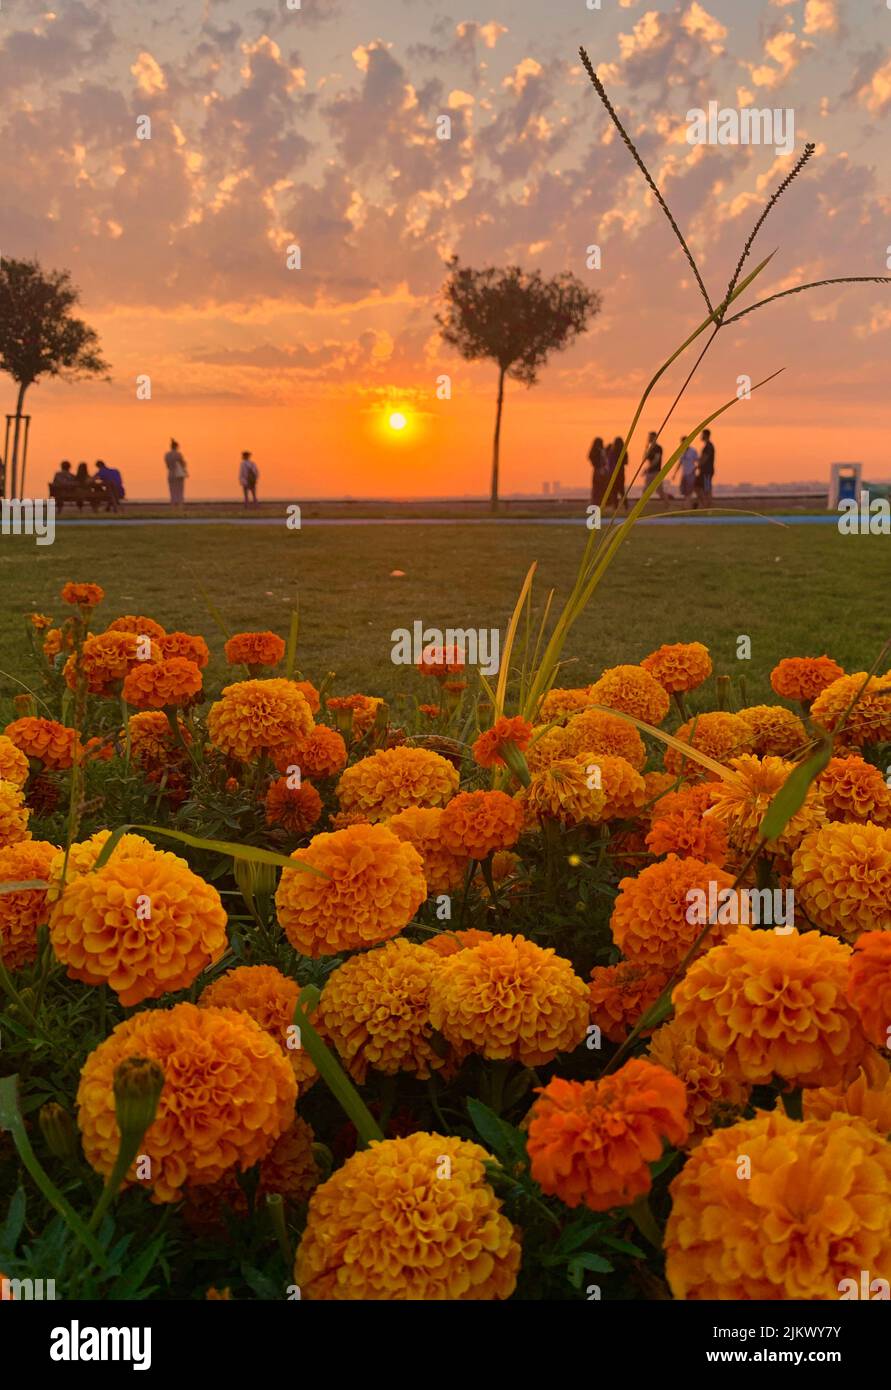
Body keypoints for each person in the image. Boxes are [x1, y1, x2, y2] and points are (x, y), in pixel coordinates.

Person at [642, 431, 667, 500]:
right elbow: (644, 459)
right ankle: (644, 506)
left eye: (650, 437)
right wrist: (646, 448)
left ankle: (667, 505)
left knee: (659, 491)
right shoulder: (650, 448)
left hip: (656, 472)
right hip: (650, 472)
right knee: (646, 490)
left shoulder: (658, 448)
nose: (648, 439)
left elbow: (656, 460)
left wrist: (647, 468)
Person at [606, 436, 629, 512]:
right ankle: (626, 506)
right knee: (622, 490)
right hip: (621, 473)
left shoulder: (612, 451)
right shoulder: (624, 452)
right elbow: (626, 462)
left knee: (614, 491)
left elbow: (609, 461)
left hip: (613, 473)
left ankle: (615, 506)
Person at [674, 436, 699, 503]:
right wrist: (675, 474)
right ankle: (689, 503)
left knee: (689, 491)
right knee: (683, 491)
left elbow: (698, 461)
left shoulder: (693, 451)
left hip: (691, 474)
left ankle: (687, 504)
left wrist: (695, 469)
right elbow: (680, 463)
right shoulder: (681, 451)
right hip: (684, 474)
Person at [164, 439, 187, 508]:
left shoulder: (167, 455)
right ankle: (180, 504)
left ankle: (173, 504)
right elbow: (183, 464)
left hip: (170, 473)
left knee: (172, 490)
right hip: (178, 474)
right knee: (179, 489)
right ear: (176, 446)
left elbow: (167, 465)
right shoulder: (178, 454)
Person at [587, 436, 609, 507]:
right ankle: (602, 503)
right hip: (601, 471)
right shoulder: (601, 451)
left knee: (596, 489)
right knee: (602, 488)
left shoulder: (593, 451)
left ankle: (596, 503)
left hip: (596, 471)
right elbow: (605, 461)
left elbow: (591, 459)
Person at [698, 428, 715, 505]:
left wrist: (698, 465)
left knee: (707, 487)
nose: (701, 436)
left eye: (702, 435)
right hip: (704, 470)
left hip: (707, 470)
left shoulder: (709, 446)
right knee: (702, 487)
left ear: (706, 435)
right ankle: (706, 503)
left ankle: (708, 504)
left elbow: (705, 458)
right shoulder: (707, 446)